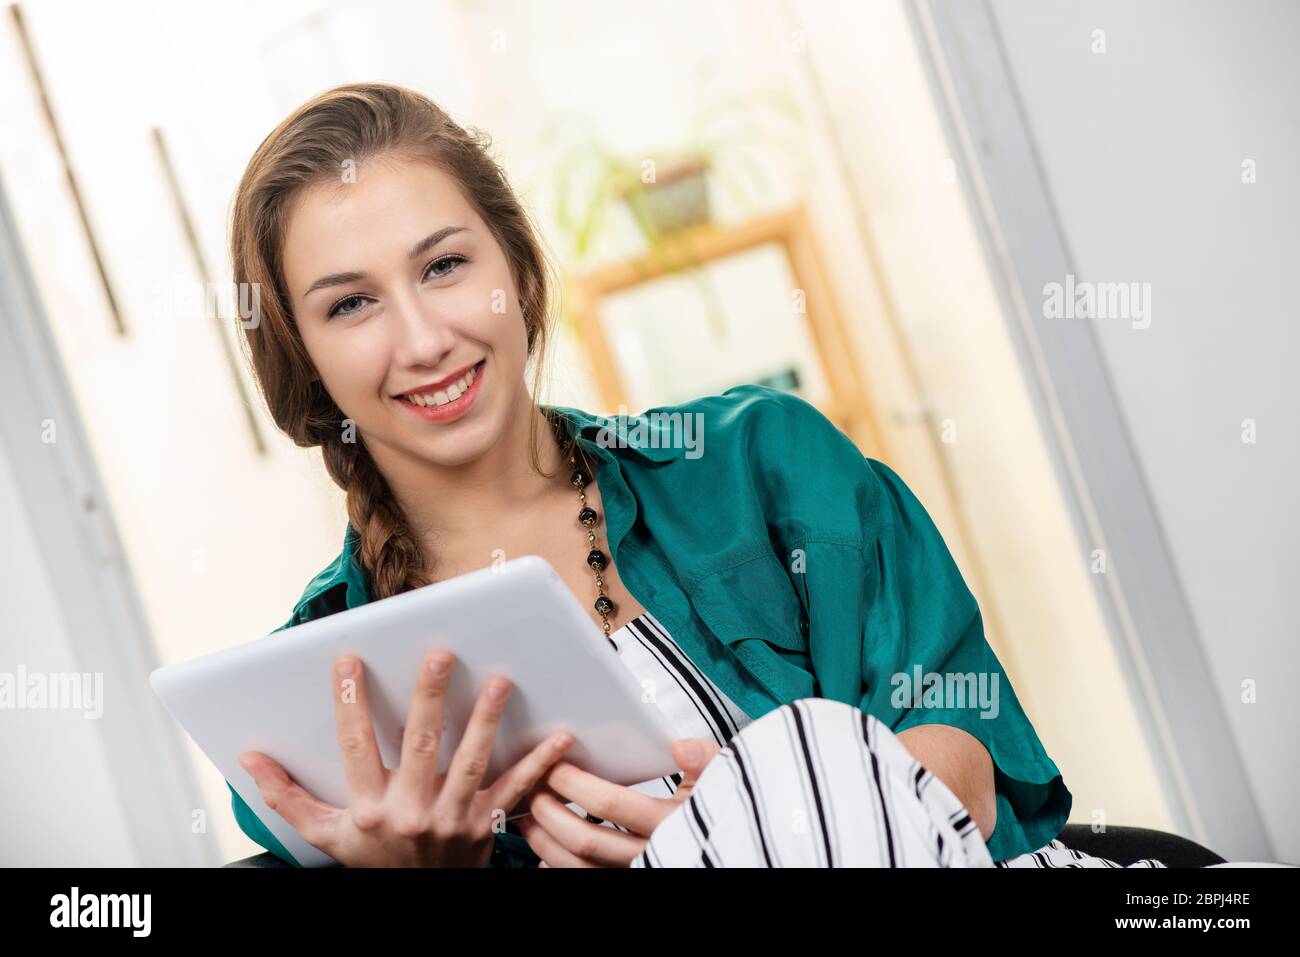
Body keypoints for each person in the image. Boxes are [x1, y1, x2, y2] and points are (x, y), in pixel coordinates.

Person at [224, 81, 1111, 869]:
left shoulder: (761, 463)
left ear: (520, 270)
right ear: (301, 357)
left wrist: (762, 830)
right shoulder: (311, 703)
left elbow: (967, 751)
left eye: (445, 264)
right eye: (351, 303)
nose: (422, 340)